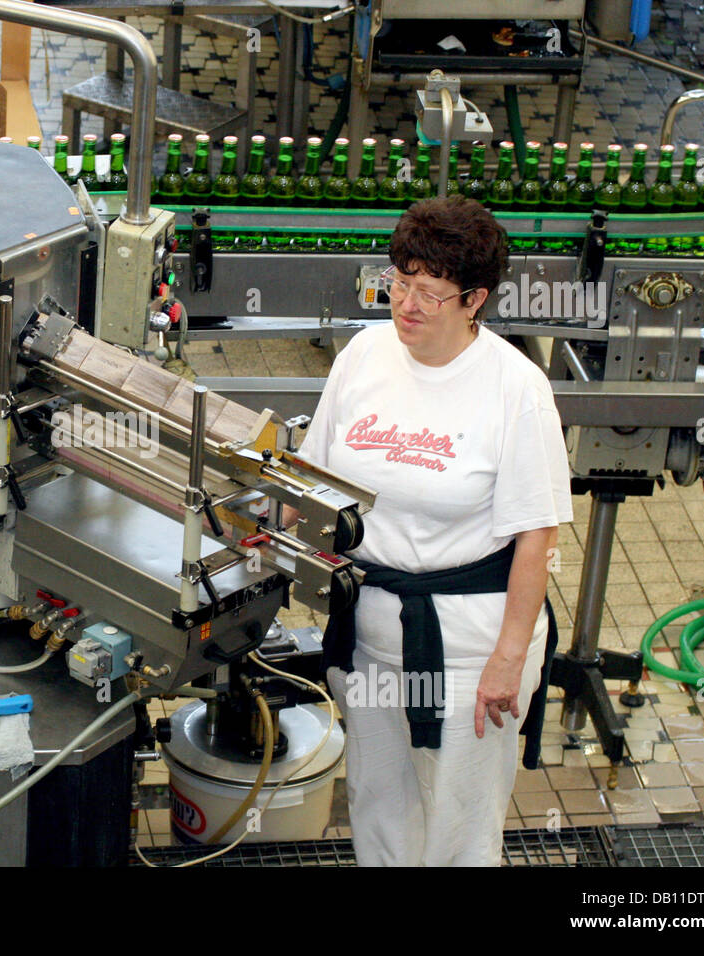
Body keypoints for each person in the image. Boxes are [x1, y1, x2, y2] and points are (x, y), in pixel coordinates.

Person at [292, 196, 572, 866]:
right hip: (372, 633)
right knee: (379, 805)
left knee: (457, 827)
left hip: (471, 652)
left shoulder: (516, 388)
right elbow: (315, 479)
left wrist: (509, 659)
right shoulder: (364, 354)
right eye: (400, 282)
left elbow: (538, 538)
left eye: (429, 293)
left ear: (474, 299)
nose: (406, 305)